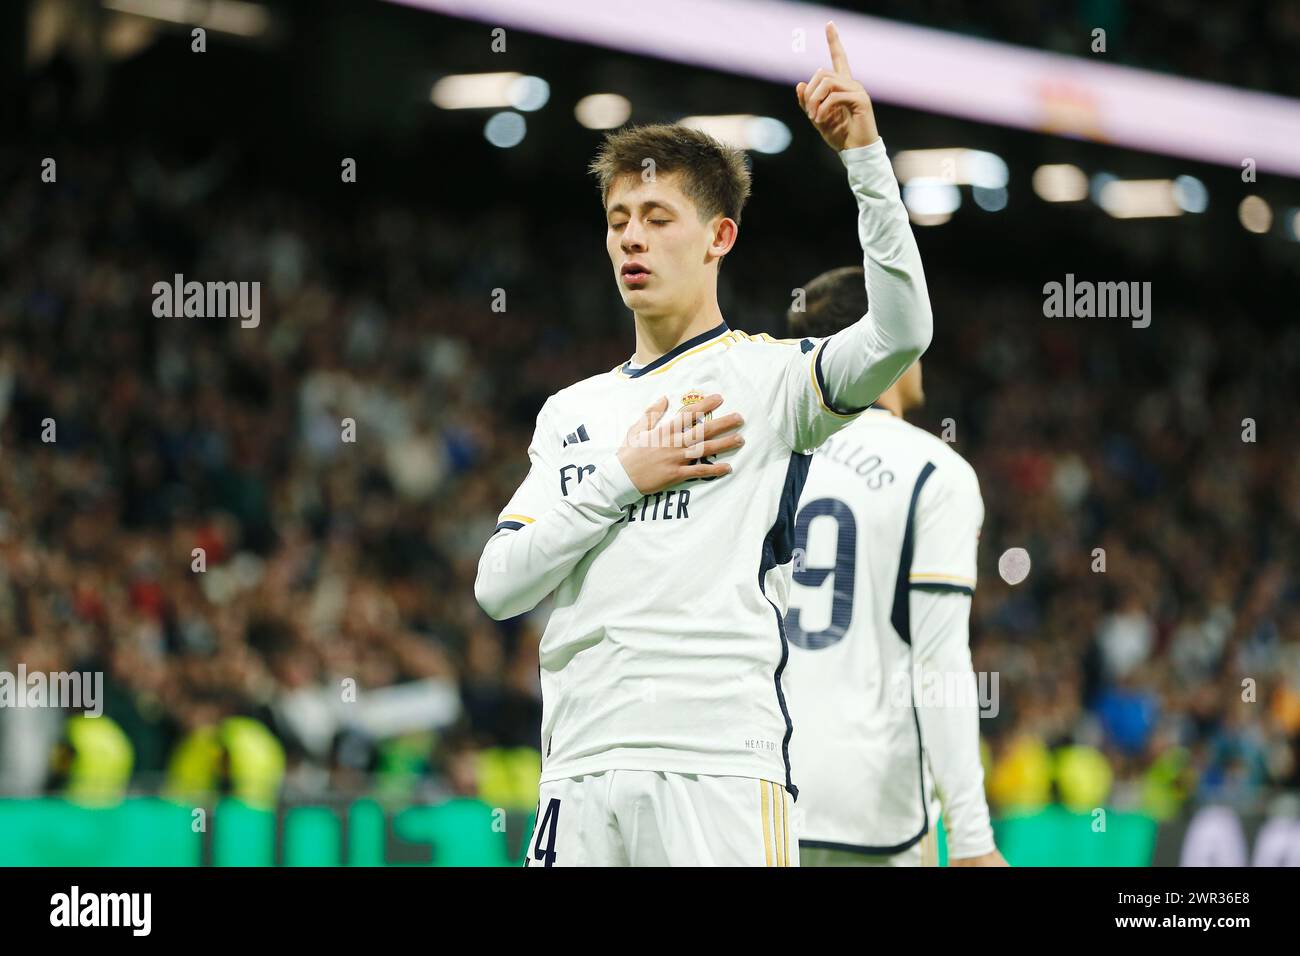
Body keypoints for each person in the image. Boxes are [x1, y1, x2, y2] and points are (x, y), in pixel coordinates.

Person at [475, 23, 932, 866]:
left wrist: (865, 157)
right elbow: (499, 586)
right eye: (618, 221)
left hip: (717, 768)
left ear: (720, 237)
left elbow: (902, 332)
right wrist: (621, 475)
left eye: (657, 218)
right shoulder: (572, 411)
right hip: (577, 769)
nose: (632, 240)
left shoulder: (773, 381)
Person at [783, 266, 1005, 866]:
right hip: (873, 811)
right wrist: (972, 839)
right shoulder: (936, 472)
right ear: (886, 337)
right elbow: (940, 664)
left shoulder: (762, 456)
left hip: (747, 798)